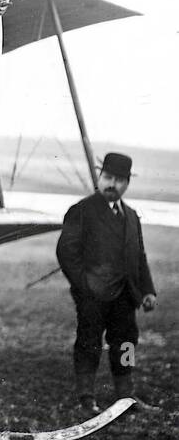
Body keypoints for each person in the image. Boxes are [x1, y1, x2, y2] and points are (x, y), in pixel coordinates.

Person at [56, 152, 159, 414]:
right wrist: (85, 286)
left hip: (126, 295)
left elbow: (139, 256)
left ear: (127, 183)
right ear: (100, 177)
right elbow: (66, 253)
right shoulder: (81, 210)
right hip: (93, 295)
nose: (112, 184)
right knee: (89, 342)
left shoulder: (132, 216)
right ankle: (86, 399)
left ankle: (126, 396)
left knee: (126, 343)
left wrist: (147, 290)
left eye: (119, 180)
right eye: (108, 177)